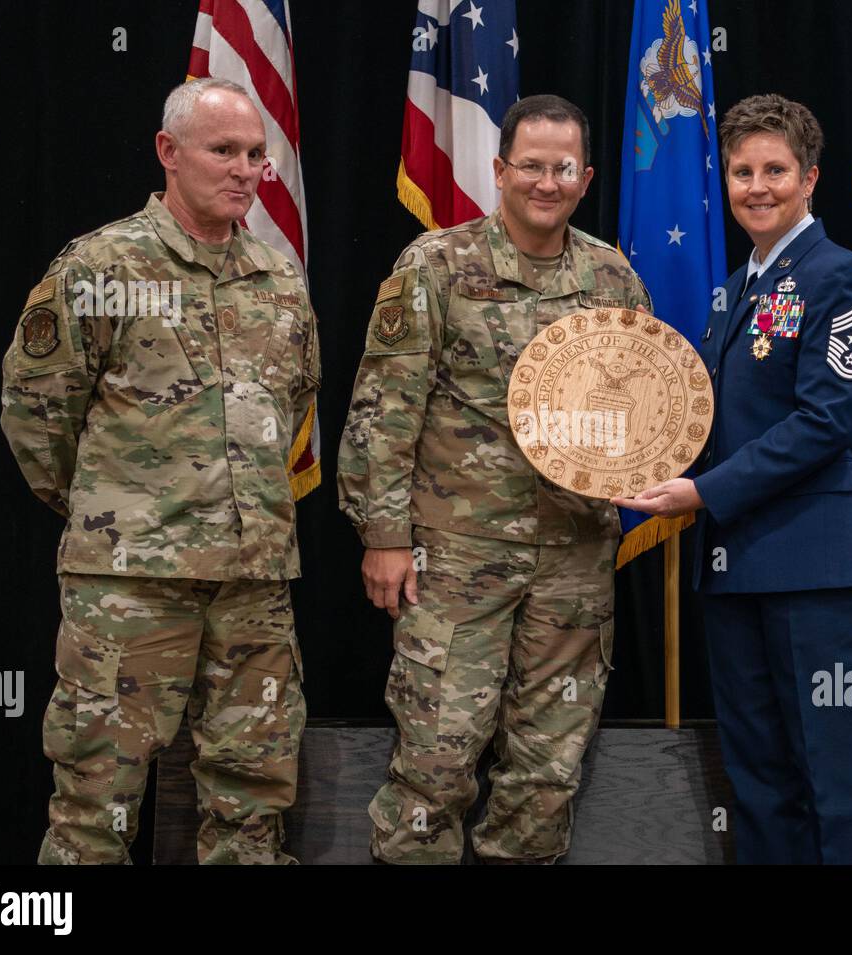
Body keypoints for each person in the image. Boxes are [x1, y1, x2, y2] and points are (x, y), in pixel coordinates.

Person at [0, 77, 320, 865]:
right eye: (224, 151)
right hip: (130, 583)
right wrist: (119, 511)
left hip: (254, 583)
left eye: (255, 153)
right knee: (96, 802)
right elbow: (38, 414)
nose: (245, 169)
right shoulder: (100, 266)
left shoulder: (279, 279)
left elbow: (295, 406)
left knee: (253, 797)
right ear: (169, 153)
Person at [338, 95, 651, 864]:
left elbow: (648, 403)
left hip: (574, 561)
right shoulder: (436, 266)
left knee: (546, 771)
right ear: (501, 169)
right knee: (438, 759)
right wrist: (384, 537)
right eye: (532, 166)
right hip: (456, 558)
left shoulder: (611, 276)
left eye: (564, 168)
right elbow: (384, 408)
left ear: (587, 177)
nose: (547, 182)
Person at [616, 94, 852, 864]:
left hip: (821, 571)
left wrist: (701, 493)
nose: (756, 186)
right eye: (742, 170)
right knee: (761, 781)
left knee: (843, 780)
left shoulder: (841, 278)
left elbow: (827, 421)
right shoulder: (738, 288)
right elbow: (719, 422)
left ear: (810, 178)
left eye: (775, 170)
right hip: (737, 566)